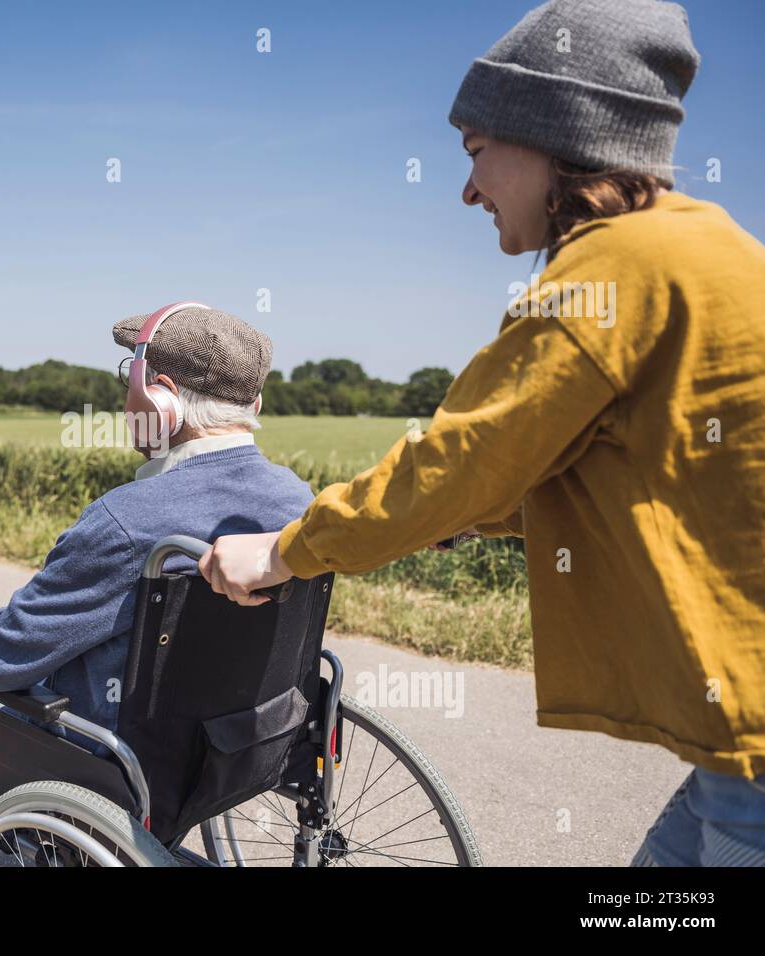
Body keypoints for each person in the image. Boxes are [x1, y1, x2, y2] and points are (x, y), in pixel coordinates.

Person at [199, 0, 765, 866]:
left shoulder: (611, 271)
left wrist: (284, 552)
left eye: (476, 152)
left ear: (559, 136)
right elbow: (601, 467)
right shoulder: (707, 249)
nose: (467, 189)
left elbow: (460, 457)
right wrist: (464, 517)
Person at [0, 306, 315, 854]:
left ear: (160, 398)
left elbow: (4, 654)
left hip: (120, 763)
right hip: (240, 743)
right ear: (254, 405)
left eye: (130, 380)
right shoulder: (301, 502)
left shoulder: (128, 521)